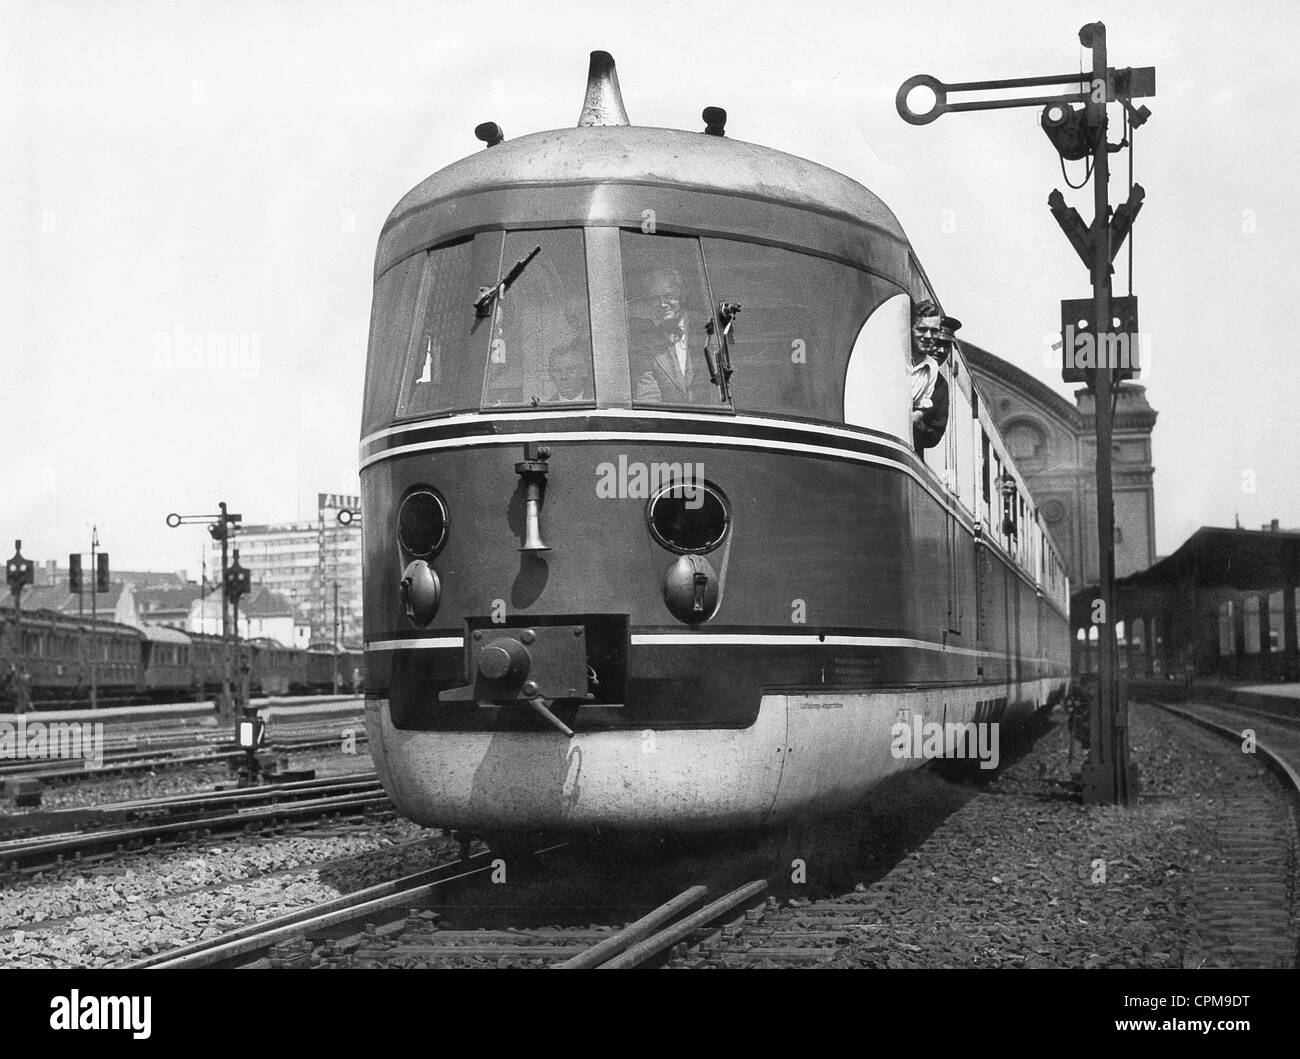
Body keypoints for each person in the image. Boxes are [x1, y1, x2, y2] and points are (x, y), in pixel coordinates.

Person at [631, 267, 713, 405]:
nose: (662, 304)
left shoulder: (707, 330)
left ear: (682, 295)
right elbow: (648, 395)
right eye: (655, 298)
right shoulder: (645, 342)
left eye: (668, 296)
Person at [911, 301, 952, 452]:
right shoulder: (899, 358)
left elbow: (935, 435)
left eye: (946, 346)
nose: (940, 350)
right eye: (922, 329)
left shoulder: (939, 382)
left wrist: (917, 423)